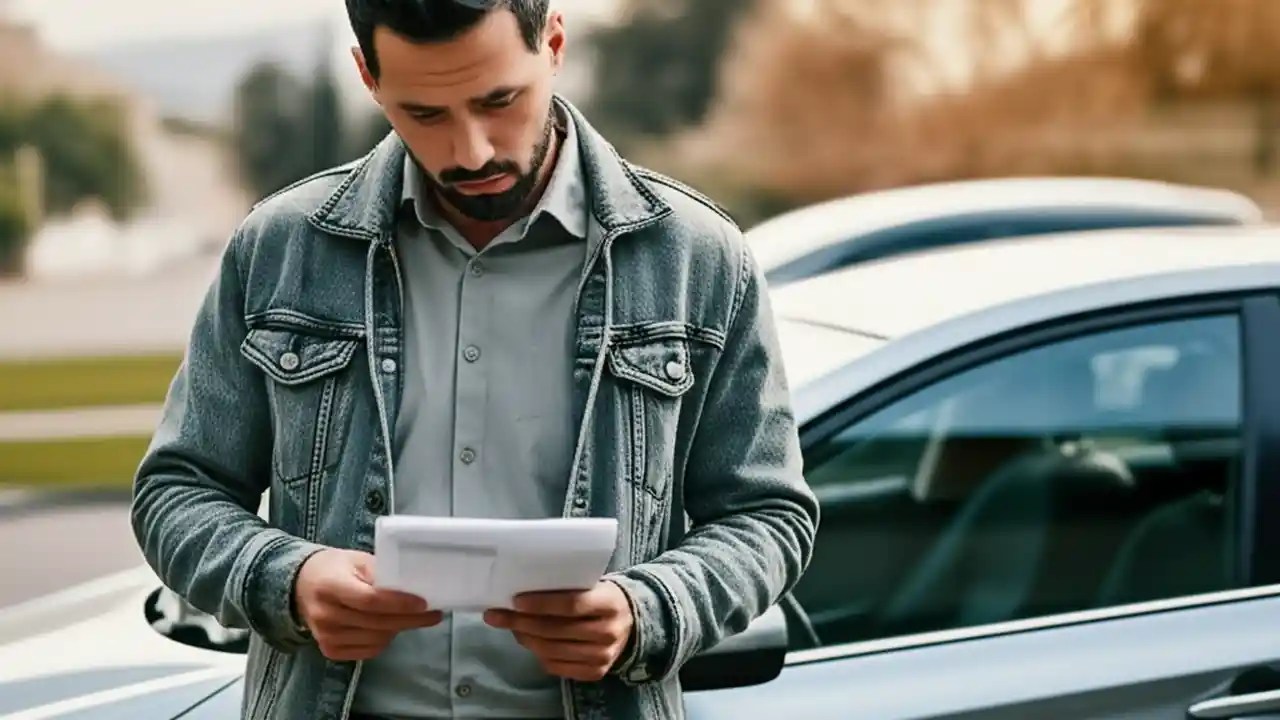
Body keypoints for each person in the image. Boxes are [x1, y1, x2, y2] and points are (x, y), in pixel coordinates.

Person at [130, 1, 818, 718]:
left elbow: (767, 514)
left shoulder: (697, 260)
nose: (472, 151)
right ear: (367, 76)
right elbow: (177, 491)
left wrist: (647, 608)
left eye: (500, 101)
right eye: (425, 113)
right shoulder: (279, 249)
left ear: (552, 44)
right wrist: (289, 578)